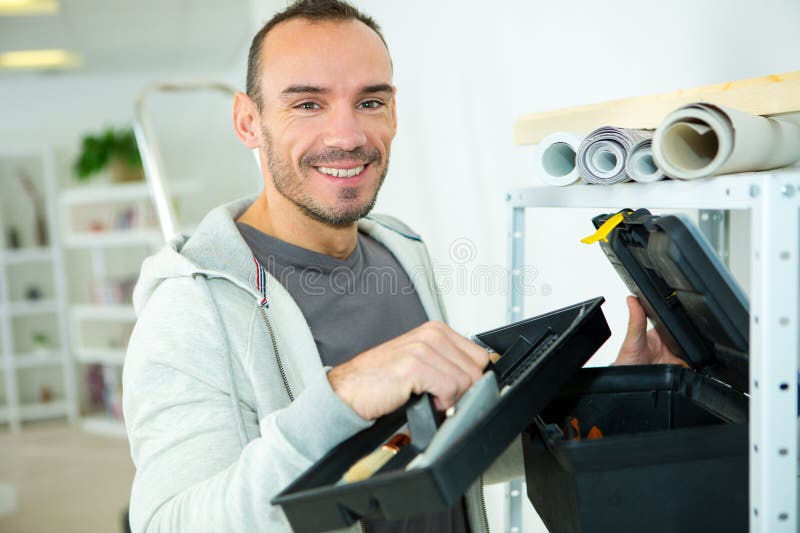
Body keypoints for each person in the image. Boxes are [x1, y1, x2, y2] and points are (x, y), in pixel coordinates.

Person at [122, 1, 684, 532]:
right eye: (308, 104)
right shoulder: (190, 306)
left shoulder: (399, 249)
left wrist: (619, 394)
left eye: (370, 102)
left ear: (393, 112)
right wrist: (341, 398)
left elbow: (437, 453)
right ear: (248, 122)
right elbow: (171, 523)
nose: (347, 136)